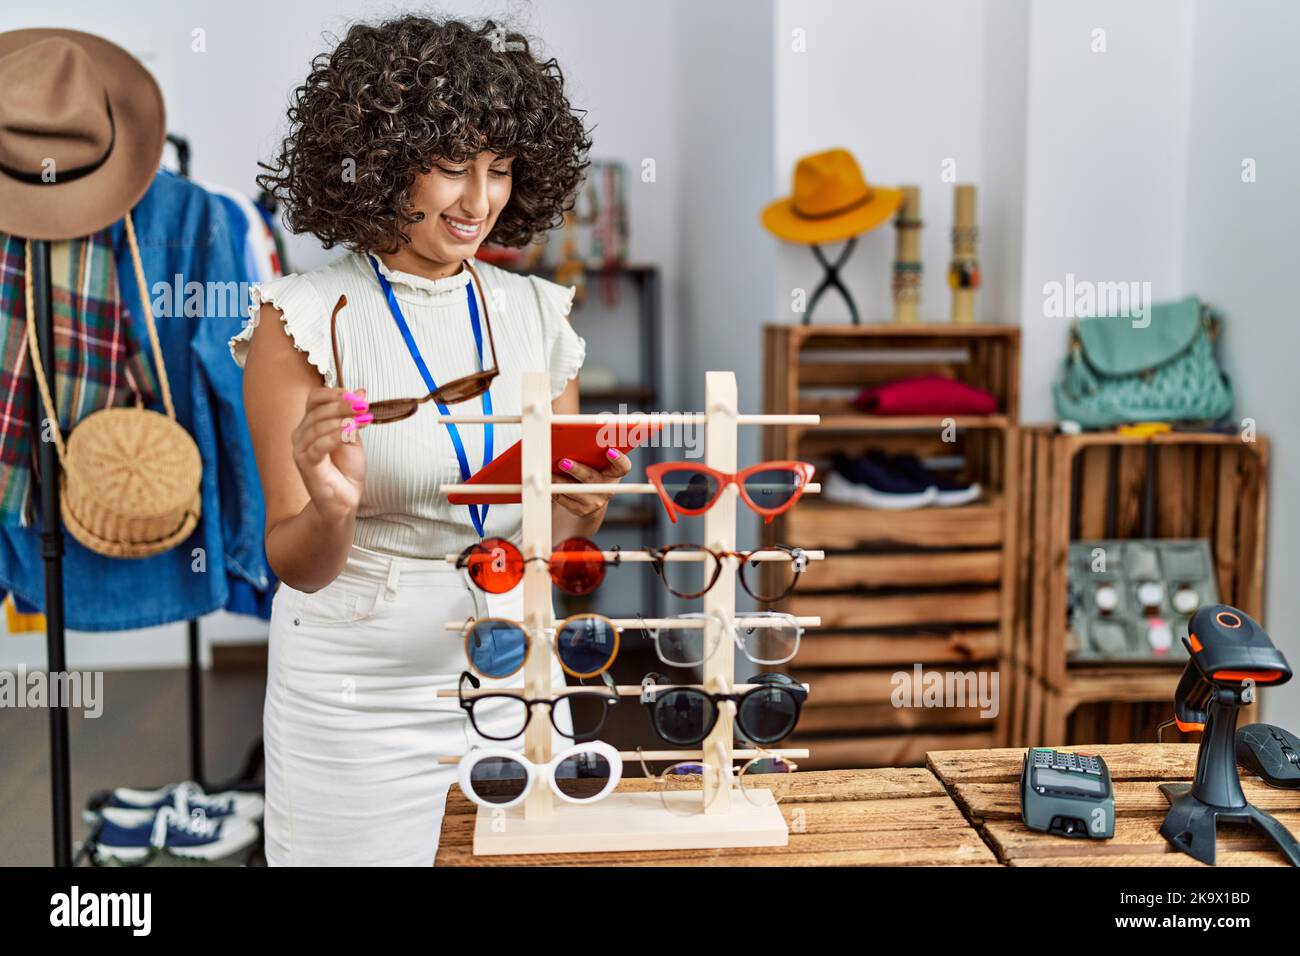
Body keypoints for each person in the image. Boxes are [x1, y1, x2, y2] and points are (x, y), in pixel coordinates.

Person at [230, 14, 628, 865]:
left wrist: (578, 514)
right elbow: (295, 560)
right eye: (452, 168)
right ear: (382, 161)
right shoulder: (298, 320)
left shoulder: (537, 314)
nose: (479, 201)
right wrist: (332, 510)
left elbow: (543, 535)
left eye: (500, 170)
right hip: (355, 698)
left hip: (513, 670)